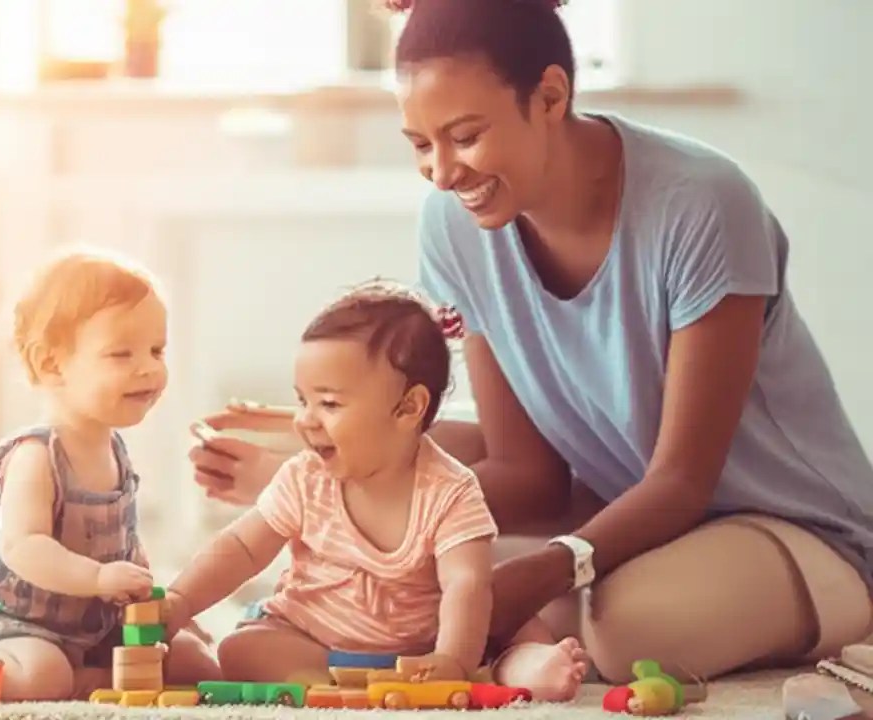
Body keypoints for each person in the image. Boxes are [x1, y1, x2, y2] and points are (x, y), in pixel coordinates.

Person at [188, 0, 873, 684]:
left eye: (466, 135)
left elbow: (682, 481)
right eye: (421, 145)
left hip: (796, 532)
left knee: (625, 630)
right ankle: (511, 618)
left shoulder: (702, 206)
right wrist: (346, 501)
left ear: (549, 95)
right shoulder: (455, 228)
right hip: (619, 516)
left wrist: (544, 570)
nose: (443, 172)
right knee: (436, 577)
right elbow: (528, 473)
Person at [165, 281, 590, 701]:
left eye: (329, 404)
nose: (305, 422)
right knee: (242, 648)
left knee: (504, 622)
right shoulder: (305, 478)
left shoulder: (452, 491)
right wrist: (182, 599)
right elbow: (241, 547)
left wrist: (452, 660)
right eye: (302, 401)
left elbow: (466, 583)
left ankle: (528, 665)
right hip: (316, 638)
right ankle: (330, 687)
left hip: (423, 650)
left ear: (408, 408)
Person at [0, 248, 219, 701]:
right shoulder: (37, 455)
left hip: (83, 623)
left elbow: (124, 544)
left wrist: (156, 604)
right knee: (41, 676)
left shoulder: (115, 451)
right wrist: (96, 579)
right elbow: (23, 547)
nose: (149, 367)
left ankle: (84, 675)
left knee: (191, 659)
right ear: (52, 365)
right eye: (121, 353)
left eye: (157, 349)